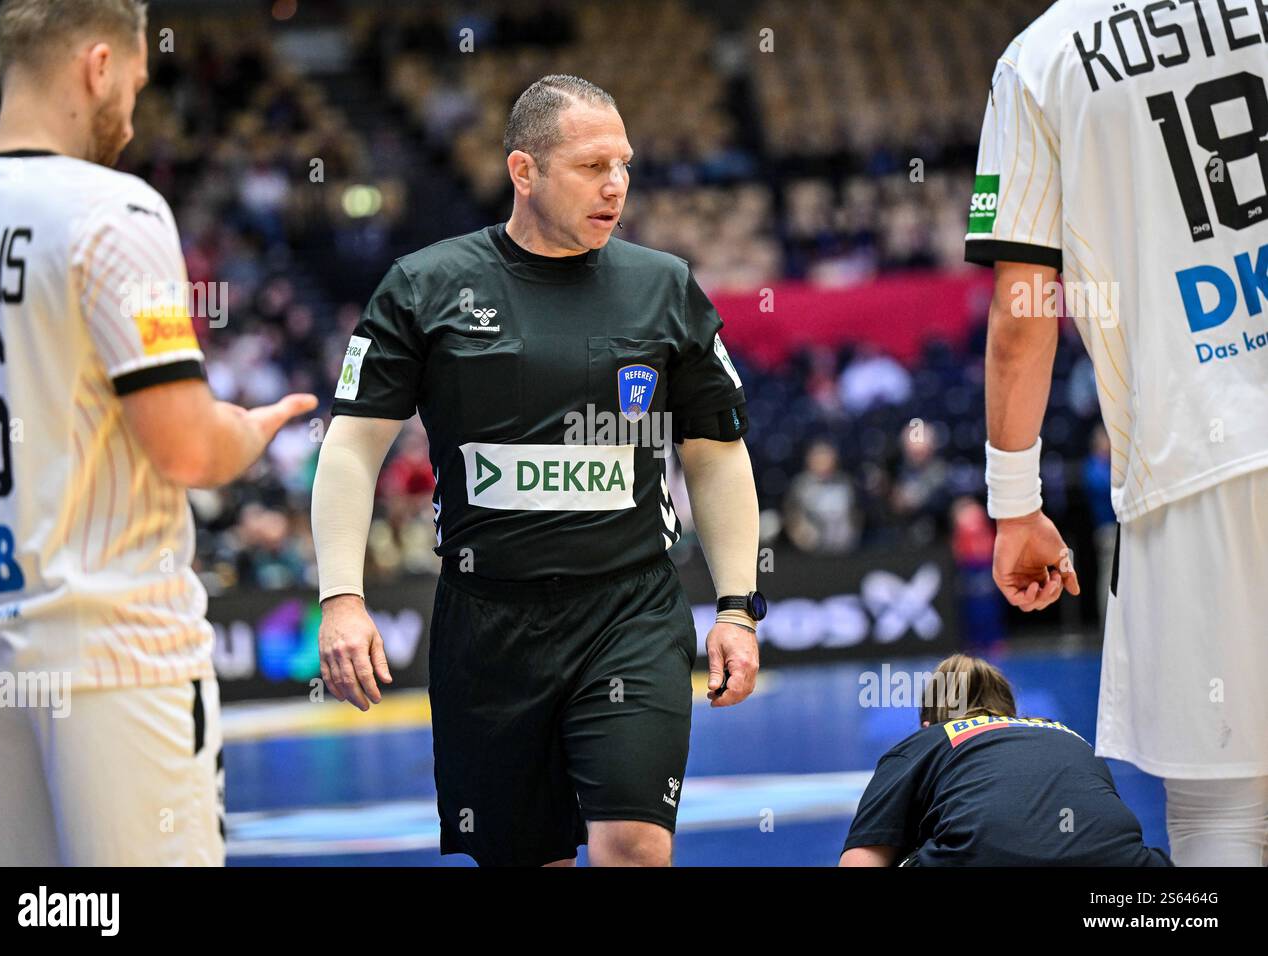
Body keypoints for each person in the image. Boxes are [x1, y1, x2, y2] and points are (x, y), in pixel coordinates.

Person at [311, 75, 763, 867]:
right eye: (592, 166)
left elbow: (715, 451)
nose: (616, 184)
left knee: (633, 847)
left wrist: (736, 607)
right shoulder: (425, 286)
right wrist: (342, 598)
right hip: (487, 631)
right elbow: (352, 447)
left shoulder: (663, 287)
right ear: (524, 171)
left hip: (629, 612)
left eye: (623, 164)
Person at [0, 0, 315, 865]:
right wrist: (251, 426)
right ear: (97, 65)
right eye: (135, 78)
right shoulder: (113, 212)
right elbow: (187, 448)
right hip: (113, 653)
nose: (132, 106)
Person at [965, 0, 1268, 865]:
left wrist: (1015, 507)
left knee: (1225, 819)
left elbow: (1026, 313)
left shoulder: (1040, 60)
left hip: (1190, 461)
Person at [840, 655, 1171, 866]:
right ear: (1008, 714)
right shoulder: (1069, 736)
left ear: (928, 722)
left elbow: (860, 862)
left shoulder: (924, 742)